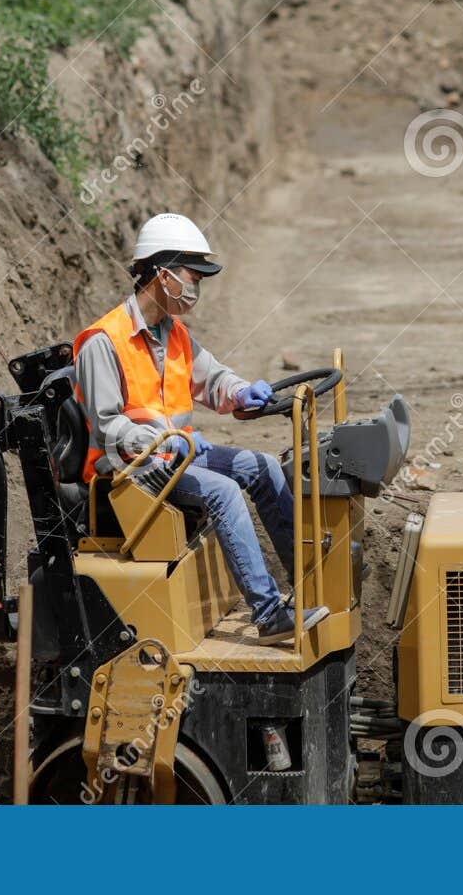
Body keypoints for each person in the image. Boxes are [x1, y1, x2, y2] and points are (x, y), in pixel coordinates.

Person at [72, 212, 327, 645]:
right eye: (194, 277)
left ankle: (310, 586)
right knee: (223, 491)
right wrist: (165, 441)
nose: (197, 289)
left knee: (262, 467)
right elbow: (108, 426)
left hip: (176, 455)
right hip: (133, 467)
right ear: (162, 274)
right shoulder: (104, 341)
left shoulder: (174, 335)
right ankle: (268, 615)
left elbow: (213, 380)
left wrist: (243, 392)